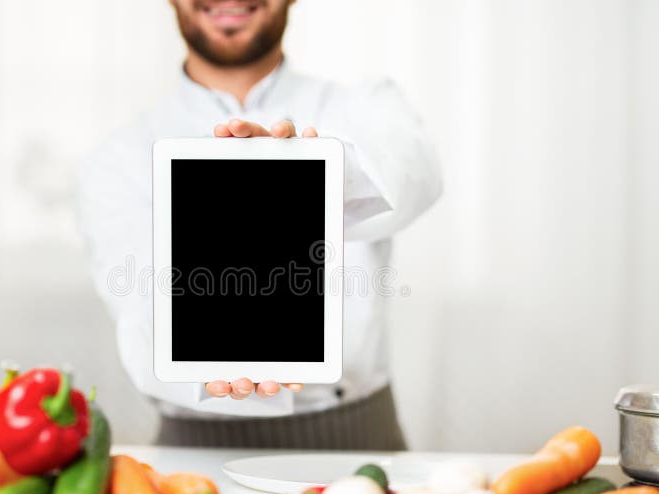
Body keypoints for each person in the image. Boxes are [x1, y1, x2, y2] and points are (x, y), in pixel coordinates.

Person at [78, 0, 442, 450]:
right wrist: (200, 364)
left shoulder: (365, 104)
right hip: (193, 449)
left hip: (359, 439)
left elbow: (416, 172)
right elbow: (137, 304)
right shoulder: (117, 157)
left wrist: (312, 177)